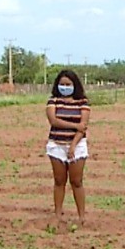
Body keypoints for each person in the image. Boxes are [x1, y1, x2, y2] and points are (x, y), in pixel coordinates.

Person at [46, 70, 91, 222]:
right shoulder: (53, 101)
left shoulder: (83, 102)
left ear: (75, 85)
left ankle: (81, 216)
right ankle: (58, 214)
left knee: (76, 181)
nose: (64, 87)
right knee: (59, 181)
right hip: (56, 145)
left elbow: (83, 126)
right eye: (62, 84)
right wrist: (75, 125)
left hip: (77, 146)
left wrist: (73, 146)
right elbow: (53, 120)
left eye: (68, 84)